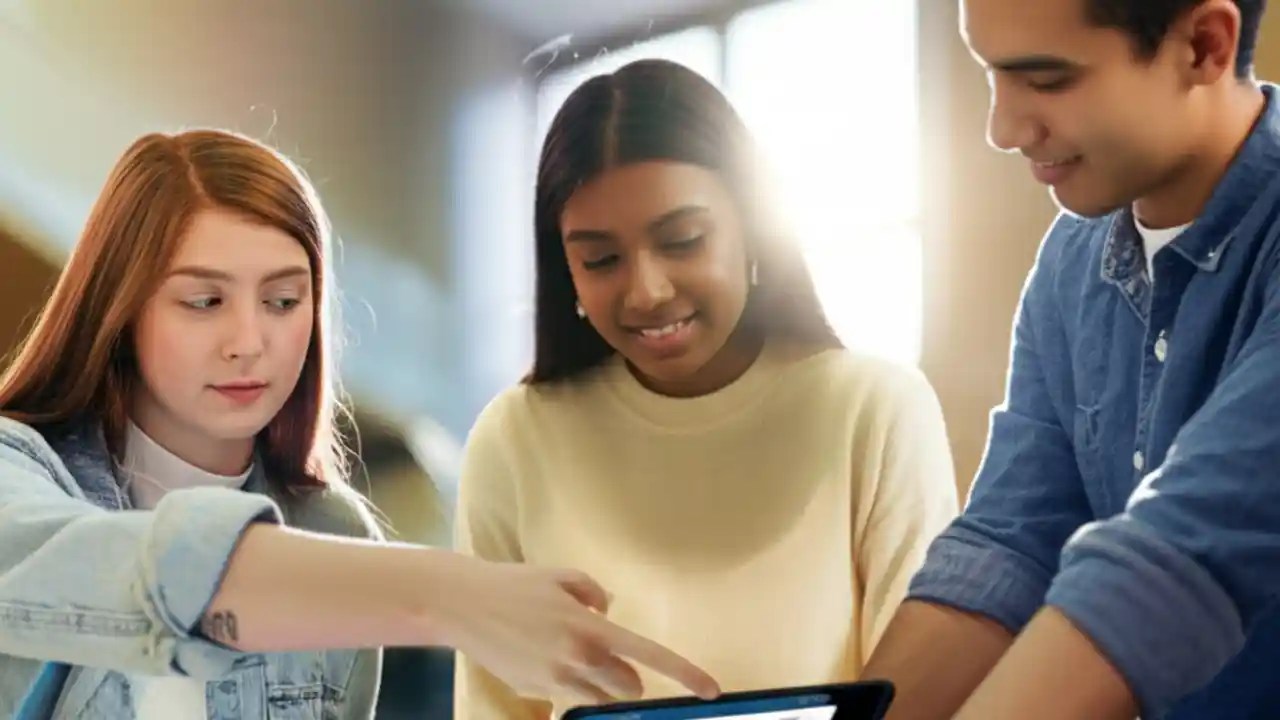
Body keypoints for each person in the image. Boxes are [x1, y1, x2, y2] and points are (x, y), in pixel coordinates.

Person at [0, 129, 718, 719]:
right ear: (121, 309)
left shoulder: (333, 530)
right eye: (204, 302)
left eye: (283, 301)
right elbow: (152, 576)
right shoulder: (18, 475)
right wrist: (449, 595)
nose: (249, 342)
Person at [453, 59, 959, 720]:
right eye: (600, 260)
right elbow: (491, 707)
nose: (647, 292)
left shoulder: (876, 410)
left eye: (683, 241)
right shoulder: (515, 439)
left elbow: (922, 696)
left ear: (753, 226)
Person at [860, 1, 1280, 718]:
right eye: (990, 74)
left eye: (1046, 81)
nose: (1001, 129)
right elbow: (1008, 547)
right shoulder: (1072, 261)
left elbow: (1182, 560)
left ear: (1204, 47)